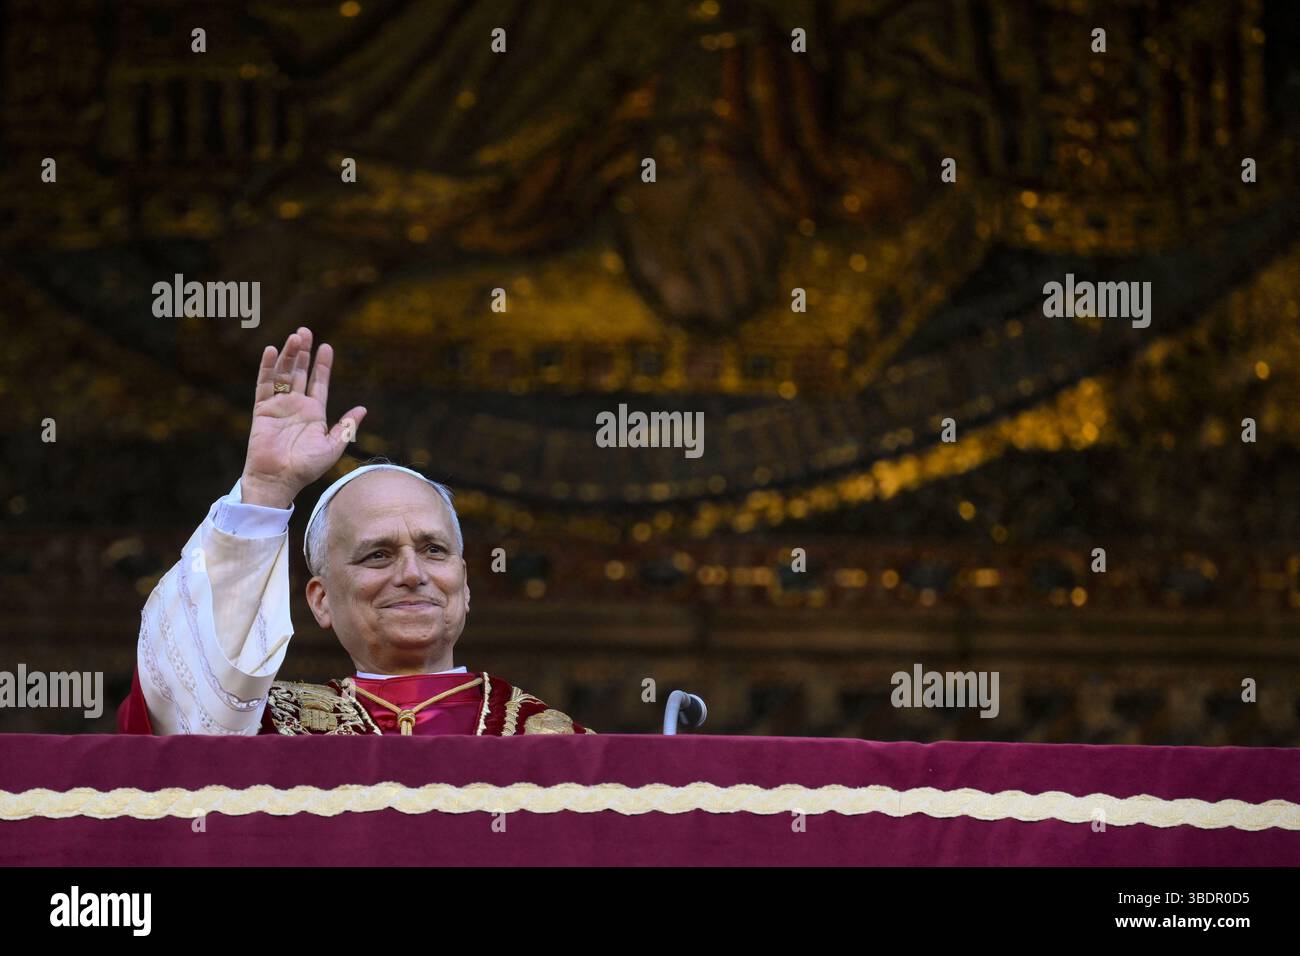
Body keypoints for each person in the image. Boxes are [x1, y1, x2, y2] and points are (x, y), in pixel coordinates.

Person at [116, 326, 592, 736]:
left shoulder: (556, 744)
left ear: (464, 585)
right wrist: (265, 490)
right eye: (377, 555)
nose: (412, 573)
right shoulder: (268, 729)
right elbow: (181, 710)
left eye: (433, 550)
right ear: (321, 599)